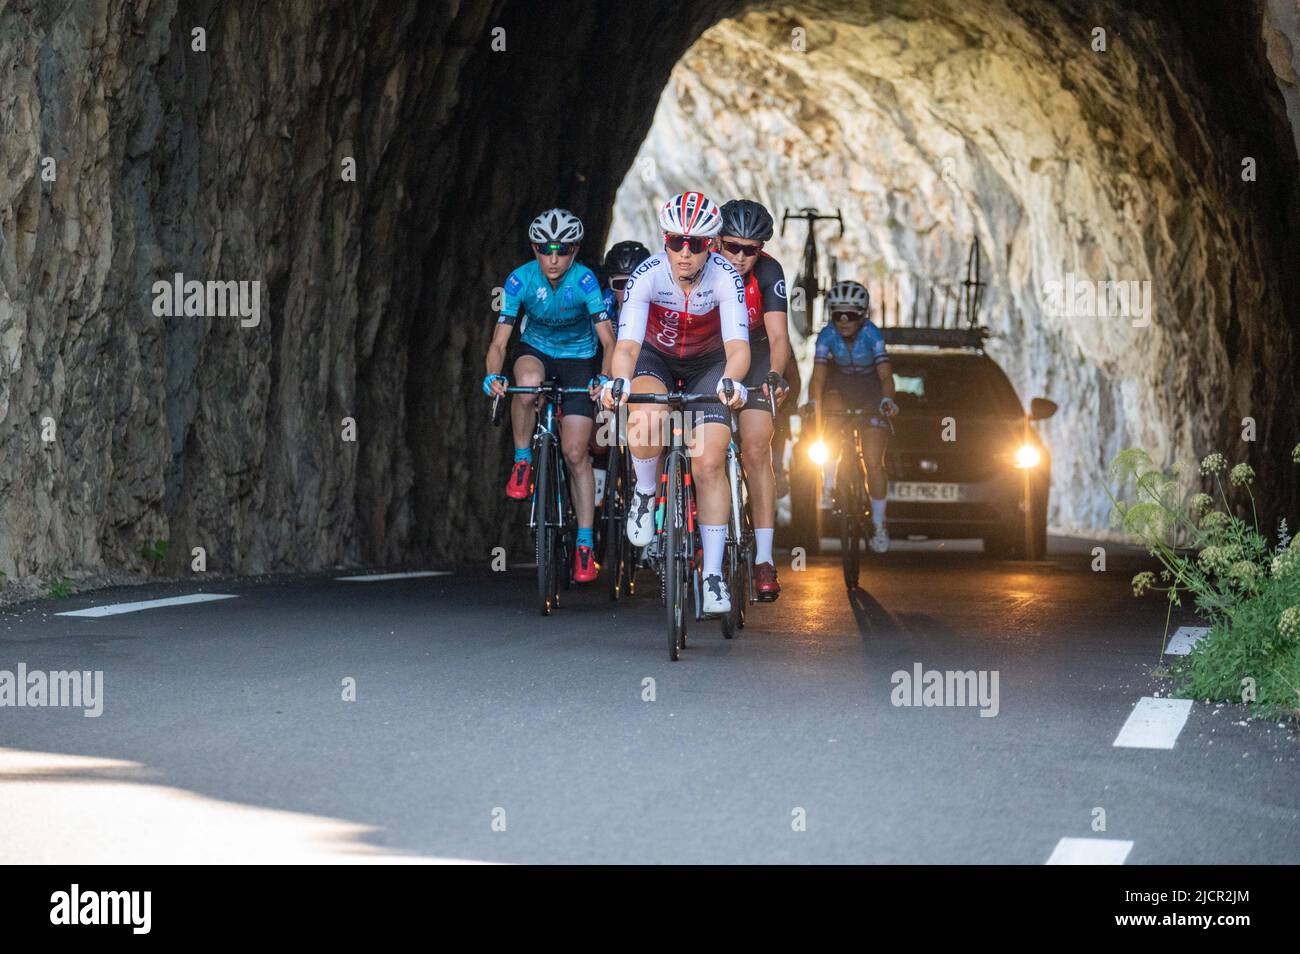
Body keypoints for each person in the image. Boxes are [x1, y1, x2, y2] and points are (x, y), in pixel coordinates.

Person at [601, 192, 750, 614]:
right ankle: (646, 493)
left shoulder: (726, 277)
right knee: (647, 418)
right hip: (655, 356)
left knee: (707, 461)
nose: (684, 253)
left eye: (697, 244)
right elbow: (627, 346)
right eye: (675, 241)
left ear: (712, 245)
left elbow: (738, 348)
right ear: (664, 239)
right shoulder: (647, 275)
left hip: (710, 363)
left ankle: (714, 573)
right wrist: (619, 383)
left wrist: (730, 382)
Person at [483, 208, 614, 583]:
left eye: (562, 250)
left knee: (576, 454)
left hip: (579, 360)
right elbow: (499, 341)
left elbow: (608, 341)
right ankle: (523, 459)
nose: (553, 259)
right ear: (534, 249)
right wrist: (492, 375)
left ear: (574, 250)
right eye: (544, 249)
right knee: (524, 386)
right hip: (536, 350)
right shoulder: (518, 281)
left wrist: (604, 378)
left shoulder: (586, 281)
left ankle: (584, 545)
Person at [715, 199, 790, 601]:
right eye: (733, 247)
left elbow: (779, 338)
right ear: (716, 241)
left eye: (751, 249)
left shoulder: (769, 271)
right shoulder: (700, 262)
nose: (742, 257)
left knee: (757, 448)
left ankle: (763, 559)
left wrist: (775, 374)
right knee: (698, 443)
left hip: (757, 351)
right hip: (711, 351)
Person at [806, 280, 898, 554]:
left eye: (852, 315)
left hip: (870, 390)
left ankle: (880, 524)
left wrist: (887, 400)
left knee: (873, 460)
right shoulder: (826, 336)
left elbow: (885, 375)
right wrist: (813, 403)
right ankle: (830, 483)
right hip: (842, 387)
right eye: (838, 315)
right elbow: (819, 376)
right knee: (829, 408)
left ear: (863, 316)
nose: (844, 321)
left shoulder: (872, 335)